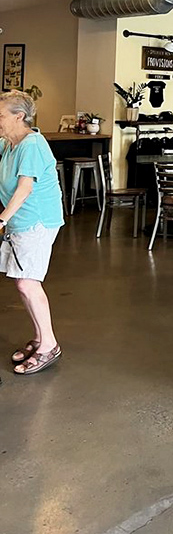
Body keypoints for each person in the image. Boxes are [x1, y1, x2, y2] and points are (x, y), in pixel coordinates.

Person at [0, 90, 64, 376]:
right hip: (19, 221)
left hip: (37, 220)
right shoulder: (8, 144)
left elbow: (25, 188)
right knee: (23, 282)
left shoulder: (32, 144)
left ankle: (49, 345)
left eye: (1, 116)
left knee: (28, 283)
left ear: (19, 117)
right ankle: (40, 338)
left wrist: (1, 220)